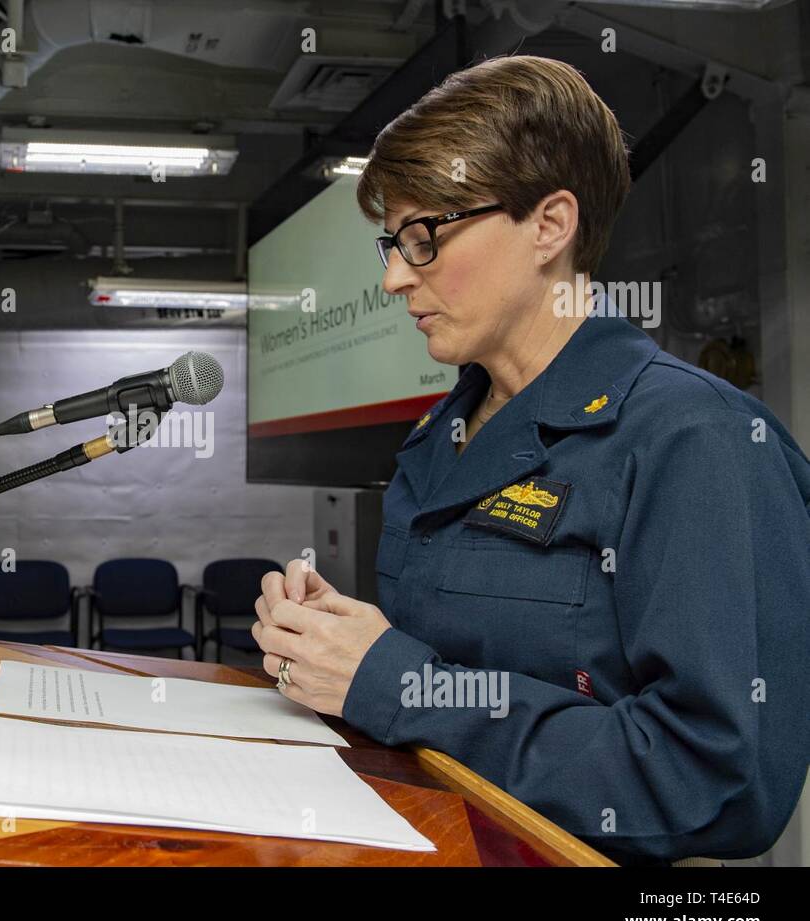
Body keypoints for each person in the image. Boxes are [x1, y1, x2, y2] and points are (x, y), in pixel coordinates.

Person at [251, 54, 810, 866]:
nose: (396, 279)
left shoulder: (696, 442)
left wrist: (400, 685)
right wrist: (332, 642)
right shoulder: (441, 434)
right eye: (392, 243)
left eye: (425, 237)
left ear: (550, 225)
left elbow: (716, 783)